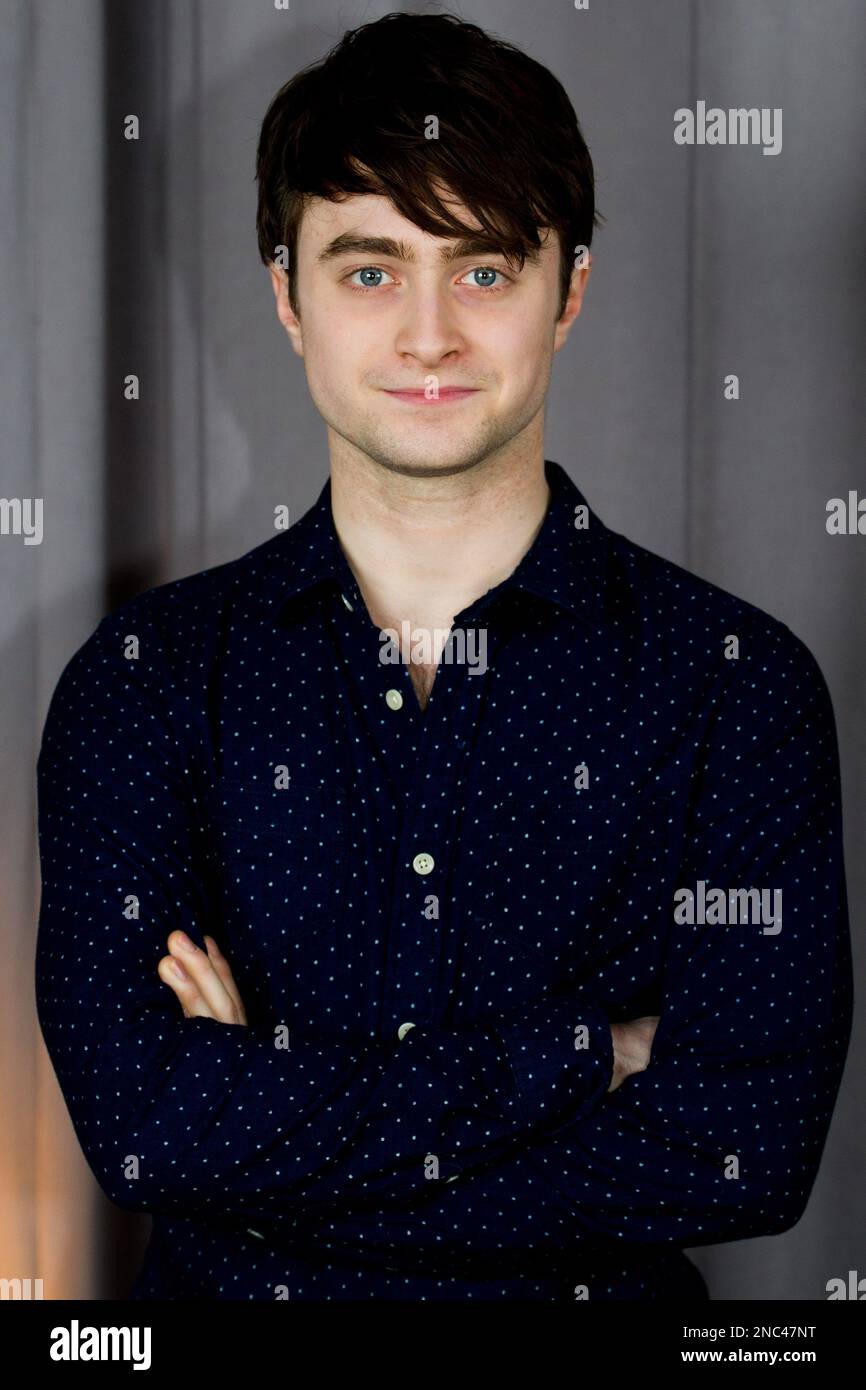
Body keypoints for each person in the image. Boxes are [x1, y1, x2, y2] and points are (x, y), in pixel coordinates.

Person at [35, 11, 852, 1301]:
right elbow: (143, 1127)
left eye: (483, 269)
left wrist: (267, 1123)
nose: (429, 336)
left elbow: (741, 1152)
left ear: (569, 288)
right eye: (369, 271)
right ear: (286, 295)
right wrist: (594, 1053)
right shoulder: (144, 679)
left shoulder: (736, 686)